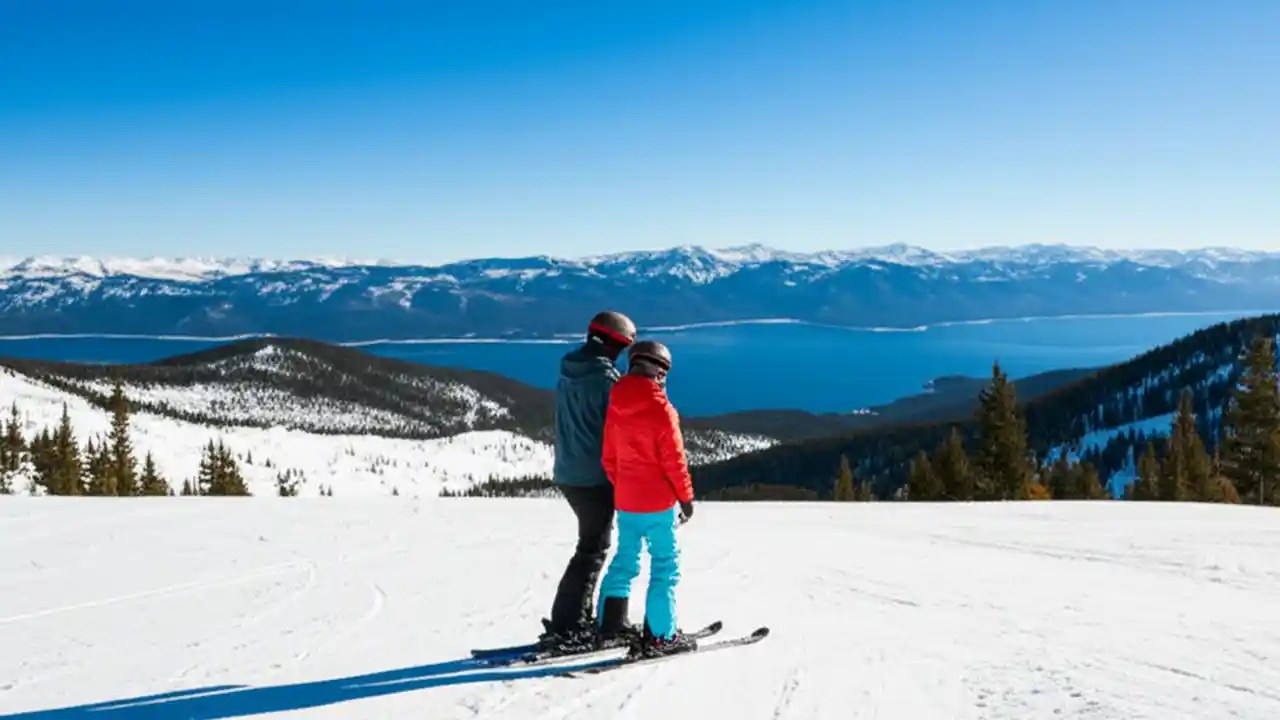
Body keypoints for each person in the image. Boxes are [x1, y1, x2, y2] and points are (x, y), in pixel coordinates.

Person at [538, 310, 638, 652]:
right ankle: (570, 624)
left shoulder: (569, 371)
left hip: (568, 473)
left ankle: (573, 620)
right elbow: (625, 429)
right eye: (622, 347)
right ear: (613, 343)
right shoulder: (606, 382)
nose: (621, 354)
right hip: (595, 477)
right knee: (592, 549)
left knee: (590, 546)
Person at [596, 340, 698, 658]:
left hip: (626, 502)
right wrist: (686, 498)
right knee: (664, 567)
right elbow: (674, 462)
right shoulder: (662, 410)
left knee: (625, 560)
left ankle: (610, 625)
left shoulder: (616, 404)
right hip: (658, 504)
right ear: (659, 371)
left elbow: (609, 458)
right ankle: (662, 635)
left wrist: (625, 486)